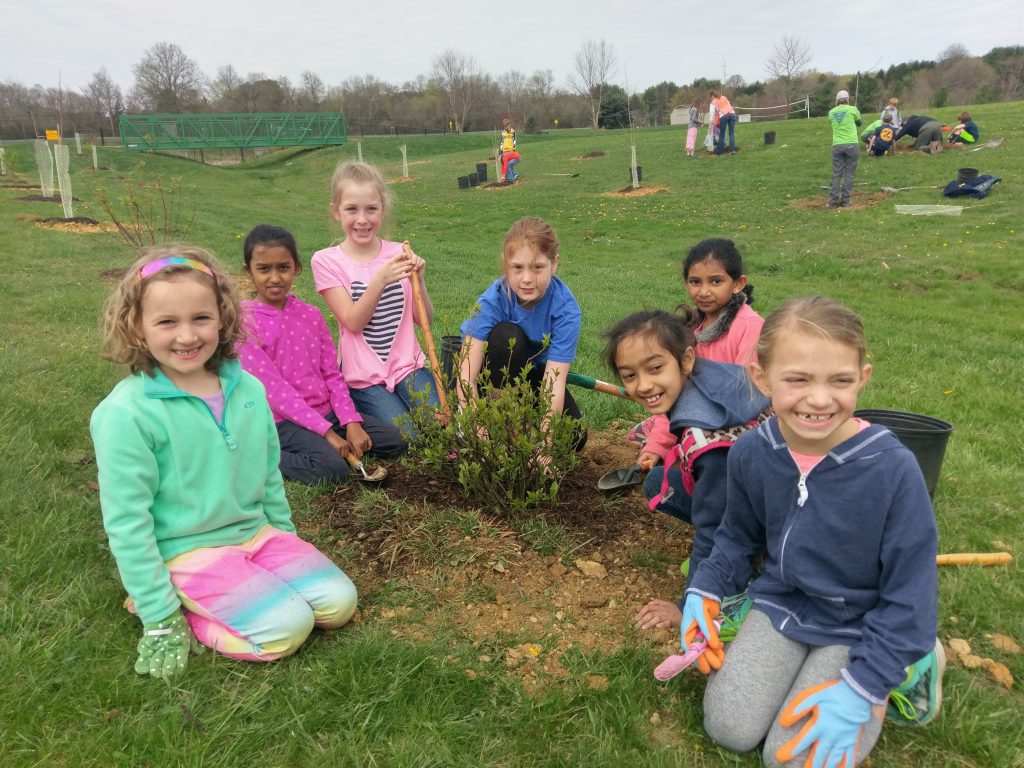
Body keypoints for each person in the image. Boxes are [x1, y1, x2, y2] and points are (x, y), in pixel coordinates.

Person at [680, 296, 942, 766]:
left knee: (790, 758)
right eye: (797, 379)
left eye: (840, 381)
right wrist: (704, 590)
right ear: (761, 378)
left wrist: (863, 688)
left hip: (861, 624)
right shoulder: (751, 454)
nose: (819, 399)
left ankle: (913, 660)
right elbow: (737, 538)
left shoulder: (895, 470)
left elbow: (911, 594)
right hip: (782, 604)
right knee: (729, 727)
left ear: (862, 377)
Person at [90, 247, 358, 678]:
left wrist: (285, 543)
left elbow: (269, 474)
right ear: (136, 328)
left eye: (200, 318)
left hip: (256, 535)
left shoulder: (248, 388)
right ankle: (173, 606)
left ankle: (256, 581)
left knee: (339, 604)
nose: (187, 336)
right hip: (187, 551)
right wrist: (159, 614)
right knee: (286, 630)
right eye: (166, 322)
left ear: (223, 316)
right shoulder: (126, 414)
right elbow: (127, 521)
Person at [603, 310, 770, 633]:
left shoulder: (705, 438)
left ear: (687, 359)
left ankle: (750, 576)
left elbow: (714, 526)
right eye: (629, 376)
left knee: (706, 515)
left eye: (655, 368)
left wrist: (689, 605)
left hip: (784, 527)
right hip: (778, 493)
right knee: (659, 481)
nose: (644, 385)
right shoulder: (720, 377)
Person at [238, 224, 406, 485]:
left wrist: (350, 422)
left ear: (296, 268)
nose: (274, 277)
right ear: (249, 271)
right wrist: (326, 433)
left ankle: (328, 441)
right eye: (263, 269)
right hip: (284, 421)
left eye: (283, 267)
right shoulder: (245, 323)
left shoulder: (311, 315)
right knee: (333, 470)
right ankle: (262, 454)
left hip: (327, 413)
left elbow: (332, 374)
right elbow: (275, 391)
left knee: (394, 441)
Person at [311, 161, 441, 439]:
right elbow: (353, 321)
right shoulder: (326, 261)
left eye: (371, 209)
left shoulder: (399, 252)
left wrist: (420, 279)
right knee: (409, 436)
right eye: (351, 209)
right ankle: (353, 405)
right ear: (336, 212)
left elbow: (424, 320)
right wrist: (380, 280)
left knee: (438, 426)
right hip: (363, 378)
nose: (362, 219)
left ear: (383, 208)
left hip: (408, 367)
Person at [633, 238, 765, 492]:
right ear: (686, 283)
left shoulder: (750, 327)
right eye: (696, 282)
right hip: (697, 420)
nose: (704, 291)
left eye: (716, 281)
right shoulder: (692, 331)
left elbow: (746, 399)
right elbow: (675, 397)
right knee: (654, 447)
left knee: (668, 479)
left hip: (743, 430)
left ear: (738, 284)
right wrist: (656, 448)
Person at [458, 217, 586, 449]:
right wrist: (476, 423)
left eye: (538, 267)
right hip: (492, 377)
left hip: (535, 376)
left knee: (574, 436)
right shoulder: (494, 300)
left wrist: (546, 446)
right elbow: (467, 375)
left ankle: (526, 430)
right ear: (506, 264)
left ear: (554, 263)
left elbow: (553, 384)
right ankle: (500, 419)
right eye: (517, 267)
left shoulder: (566, 311)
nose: (527, 279)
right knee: (508, 336)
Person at [827, 90, 862, 208]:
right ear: (848, 99)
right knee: (849, 174)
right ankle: (846, 200)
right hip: (852, 144)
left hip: (837, 145)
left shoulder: (831, 112)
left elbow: (832, 121)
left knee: (837, 174)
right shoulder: (853, 109)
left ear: (837, 100)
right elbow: (859, 123)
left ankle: (833, 201)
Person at [712, 90, 738, 155]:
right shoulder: (724, 97)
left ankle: (719, 151)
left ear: (714, 96)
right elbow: (729, 105)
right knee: (731, 133)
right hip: (732, 113)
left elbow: (716, 111)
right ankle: (733, 150)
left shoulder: (715, 101)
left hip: (724, 115)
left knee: (722, 135)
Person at [498, 117, 521, 182]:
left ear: (509, 125)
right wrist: (501, 150)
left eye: (507, 126)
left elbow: (514, 141)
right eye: (504, 127)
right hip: (504, 151)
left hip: (511, 150)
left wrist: (513, 150)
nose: (506, 128)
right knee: (507, 164)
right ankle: (513, 175)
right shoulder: (503, 133)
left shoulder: (513, 132)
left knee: (508, 164)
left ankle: (510, 177)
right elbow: (502, 142)